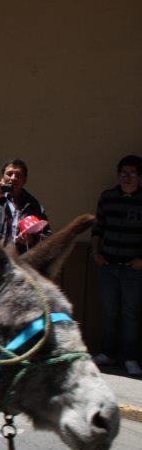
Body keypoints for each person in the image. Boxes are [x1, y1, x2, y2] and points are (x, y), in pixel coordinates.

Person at [91, 155, 142, 377]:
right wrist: (96, 253)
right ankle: (107, 353)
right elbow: (98, 228)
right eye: (123, 172)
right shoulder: (108, 197)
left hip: (134, 268)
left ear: (140, 177)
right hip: (108, 265)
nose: (126, 177)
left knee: (131, 314)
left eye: (131, 173)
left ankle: (130, 358)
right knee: (109, 312)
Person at [0, 158, 51, 252]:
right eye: (9, 174)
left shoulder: (34, 205)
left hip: (21, 260)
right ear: (2, 178)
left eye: (18, 175)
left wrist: (32, 239)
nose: (13, 178)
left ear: (24, 180)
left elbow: (47, 236)